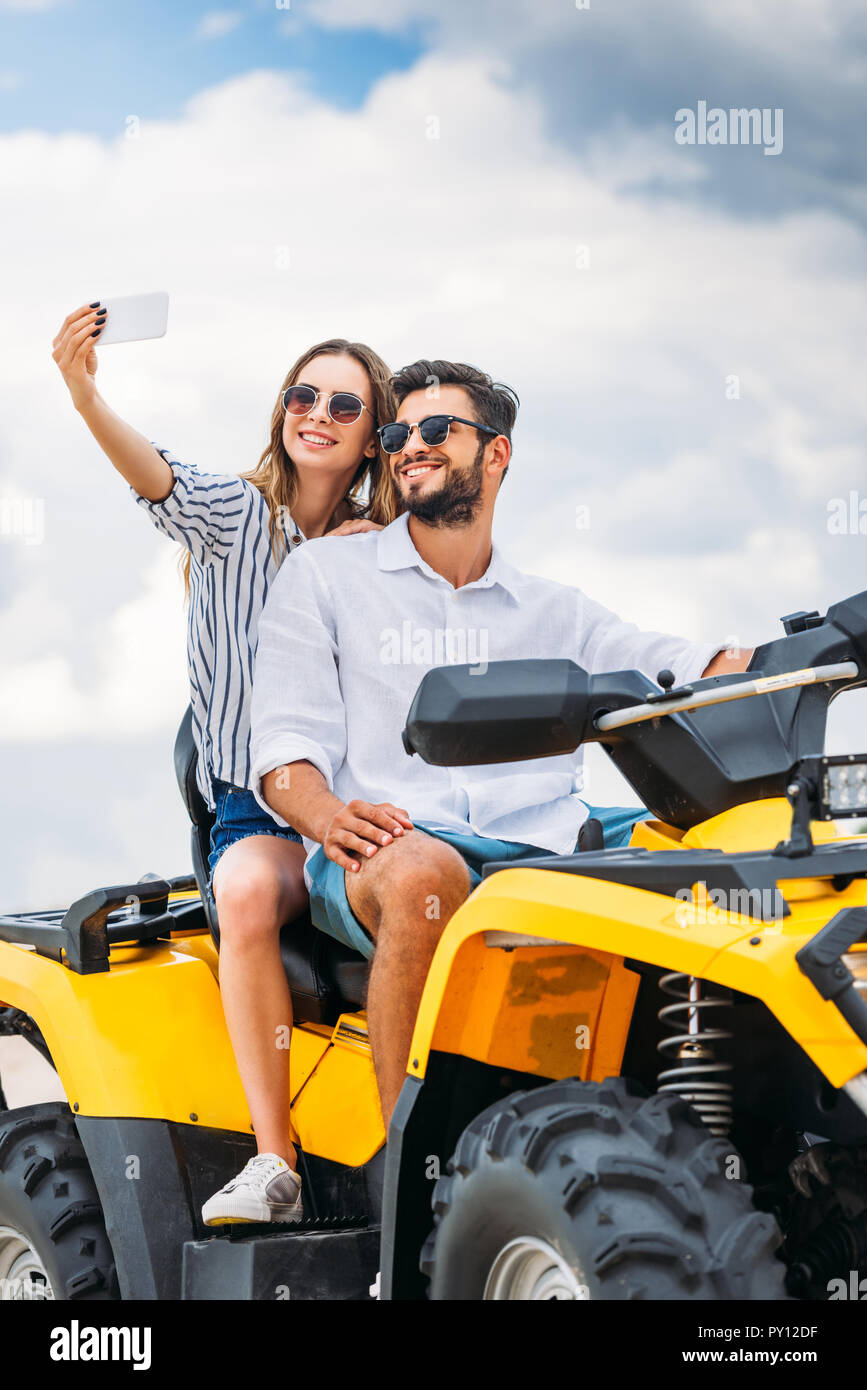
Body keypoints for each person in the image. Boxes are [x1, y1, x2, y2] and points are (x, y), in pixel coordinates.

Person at [249, 358, 753, 1129]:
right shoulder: (325, 576)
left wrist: (774, 660)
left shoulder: (555, 608)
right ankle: (409, 1193)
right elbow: (285, 751)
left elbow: (685, 670)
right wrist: (326, 818)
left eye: (435, 430)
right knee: (425, 872)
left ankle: (744, 1140)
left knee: (741, 854)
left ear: (496, 453)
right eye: (395, 433)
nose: (409, 445)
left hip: (544, 837)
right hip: (384, 843)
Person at [52, 304, 399, 1219]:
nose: (315, 411)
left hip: (371, 806)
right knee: (243, 892)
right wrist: (85, 393)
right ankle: (273, 1160)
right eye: (302, 394)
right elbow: (156, 477)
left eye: (343, 404)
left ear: (372, 439)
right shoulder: (238, 518)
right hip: (261, 809)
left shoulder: (378, 549)